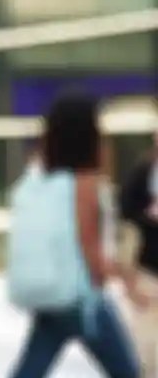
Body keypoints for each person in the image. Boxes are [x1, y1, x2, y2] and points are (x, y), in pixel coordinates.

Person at [10, 94, 141, 377]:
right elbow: (90, 249)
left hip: (54, 298)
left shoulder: (40, 178)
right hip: (82, 302)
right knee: (127, 373)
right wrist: (124, 279)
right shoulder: (84, 185)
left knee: (29, 371)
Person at [118, 126, 158, 374]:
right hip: (147, 274)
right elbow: (127, 222)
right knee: (147, 352)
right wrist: (129, 281)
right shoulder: (142, 174)